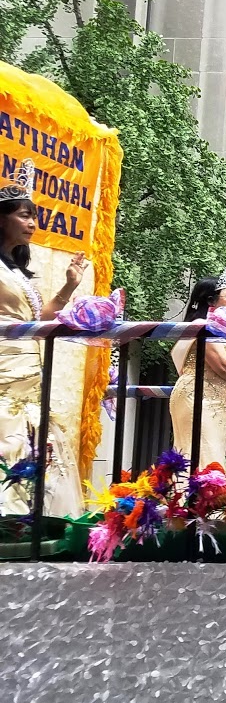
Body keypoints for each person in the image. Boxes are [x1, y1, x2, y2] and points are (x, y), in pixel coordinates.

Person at [0, 163, 87, 516]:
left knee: (34, 441)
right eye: (25, 215)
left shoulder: (17, 270)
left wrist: (69, 285)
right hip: (4, 367)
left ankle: (28, 520)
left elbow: (38, 320)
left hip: (29, 366)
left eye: (34, 216)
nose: (32, 223)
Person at [169, 274, 226, 471]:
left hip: (218, 404)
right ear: (211, 301)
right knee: (203, 458)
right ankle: (189, 502)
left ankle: (204, 502)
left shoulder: (217, 329)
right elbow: (222, 366)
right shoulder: (203, 327)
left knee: (213, 459)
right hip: (199, 399)